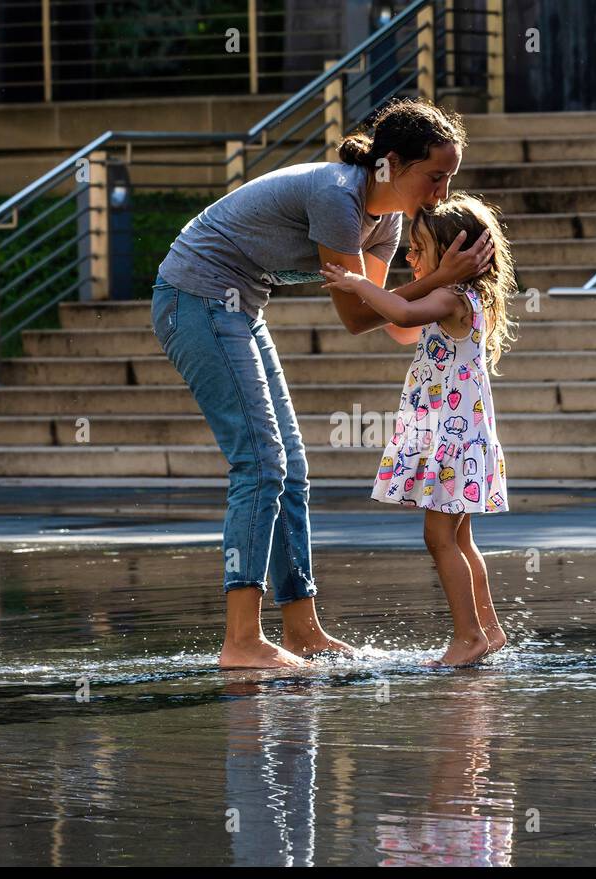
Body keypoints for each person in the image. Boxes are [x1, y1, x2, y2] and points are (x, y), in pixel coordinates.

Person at [150, 98, 494, 669]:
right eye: (435, 176)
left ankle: (302, 630)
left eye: (450, 178)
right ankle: (241, 641)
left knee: (292, 467)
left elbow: (382, 316)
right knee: (261, 463)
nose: (441, 191)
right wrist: (440, 280)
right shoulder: (338, 197)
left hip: (239, 306)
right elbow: (356, 315)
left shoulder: (383, 223)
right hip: (195, 298)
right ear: (392, 165)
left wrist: (444, 296)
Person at [319, 192, 518, 666]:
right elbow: (401, 325)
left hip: (449, 440)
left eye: (419, 248)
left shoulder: (450, 296)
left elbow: (404, 315)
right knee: (461, 538)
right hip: (461, 436)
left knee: (439, 538)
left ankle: (468, 637)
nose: (410, 257)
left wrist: (355, 282)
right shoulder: (471, 298)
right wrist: (404, 289)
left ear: (454, 254)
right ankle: (488, 630)